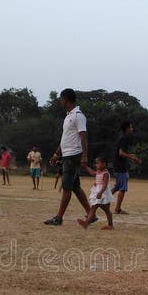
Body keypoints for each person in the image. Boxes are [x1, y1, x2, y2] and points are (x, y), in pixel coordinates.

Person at [44, 88, 91, 225]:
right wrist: (56, 153)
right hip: (67, 154)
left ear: (65, 99)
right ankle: (90, 214)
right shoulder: (68, 116)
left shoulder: (78, 115)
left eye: (61, 99)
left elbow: (83, 136)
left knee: (66, 187)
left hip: (73, 155)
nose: (60, 101)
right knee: (75, 186)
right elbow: (65, 138)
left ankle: (58, 218)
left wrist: (84, 156)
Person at [111, 121, 141, 214]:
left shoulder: (122, 137)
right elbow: (121, 153)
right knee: (122, 188)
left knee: (117, 187)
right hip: (120, 166)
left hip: (118, 165)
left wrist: (131, 156)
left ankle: (100, 200)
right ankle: (117, 209)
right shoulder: (124, 138)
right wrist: (132, 157)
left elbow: (121, 152)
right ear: (127, 128)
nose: (132, 129)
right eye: (131, 127)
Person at [78, 157, 114, 230]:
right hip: (98, 192)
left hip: (103, 194)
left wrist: (100, 193)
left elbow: (105, 185)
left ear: (104, 164)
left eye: (97, 163)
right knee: (94, 207)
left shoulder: (105, 174)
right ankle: (86, 223)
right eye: (96, 163)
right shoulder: (98, 171)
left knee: (106, 210)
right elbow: (92, 173)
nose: (96, 165)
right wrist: (86, 167)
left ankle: (110, 225)